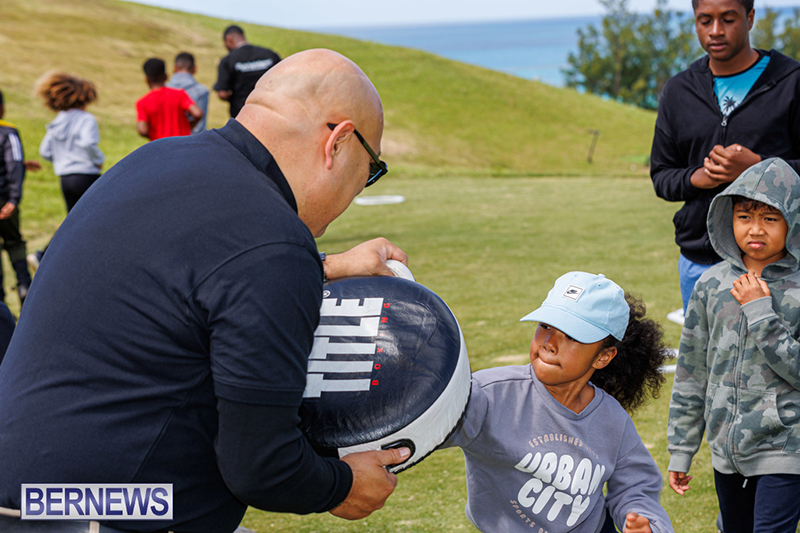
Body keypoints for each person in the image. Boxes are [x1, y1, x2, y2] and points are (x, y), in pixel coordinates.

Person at [0, 49, 404, 532]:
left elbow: (192, 282)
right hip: (100, 514)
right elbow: (262, 466)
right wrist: (343, 485)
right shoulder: (270, 240)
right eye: (370, 169)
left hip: (31, 495)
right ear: (337, 142)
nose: (359, 189)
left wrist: (325, 266)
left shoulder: (158, 160)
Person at [441, 271, 673, 533]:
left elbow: (636, 486)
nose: (549, 343)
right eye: (545, 326)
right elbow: (431, 420)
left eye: (572, 336)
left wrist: (645, 522)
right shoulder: (490, 394)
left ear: (603, 357)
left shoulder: (613, 420)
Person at [667, 157, 800, 533]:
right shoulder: (711, 284)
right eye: (744, 217)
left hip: (787, 448)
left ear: (793, 221)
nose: (755, 229)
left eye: (770, 218)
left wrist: (760, 312)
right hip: (727, 450)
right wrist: (681, 449)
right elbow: (691, 371)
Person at [650, 0, 800, 315]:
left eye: (728, 19)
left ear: (750, 17)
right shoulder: (678, 91)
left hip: (781, 265)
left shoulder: (792, 82)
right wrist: (699, 178)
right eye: (705, 20)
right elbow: (662, 176)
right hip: (699, 263)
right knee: (702, 348)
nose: (716, 31)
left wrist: (758, 167)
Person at [29, 71, 105, 271]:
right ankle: (45, 255)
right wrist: (98, 160)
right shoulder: (86, 119)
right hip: (86, 174)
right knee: (92, 218)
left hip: (65, 177)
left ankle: (60, 259)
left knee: (74, 219)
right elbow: (88, 143)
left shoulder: (59, 120)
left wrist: (62, 159)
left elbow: (45, 151)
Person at [0, 89, 34, 307]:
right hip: (3, 199)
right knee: (14, 242)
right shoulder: (8, 132)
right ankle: (24, 287)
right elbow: (13, 165)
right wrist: (14, 198)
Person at [214, 24, 281, 118]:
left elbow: (222, 94)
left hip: (242, 116)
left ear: (229, 39)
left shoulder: (228, 60)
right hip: (271, 112)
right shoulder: (270, 55)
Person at [136, 57, 203, 141]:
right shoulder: (179, 94)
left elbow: (142, 130)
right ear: (166, 76)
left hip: (160, 145)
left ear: (147, 80)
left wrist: (153, 135)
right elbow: (197, 113)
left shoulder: (143, 102)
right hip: (182, 143)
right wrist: (191, 125)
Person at [166, 52, 210, 134]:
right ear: (194, 68)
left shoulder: (163, 89)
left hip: (164, 138)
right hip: (190, 137)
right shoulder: (202, 91)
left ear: (174, 68)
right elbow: (199, 127)